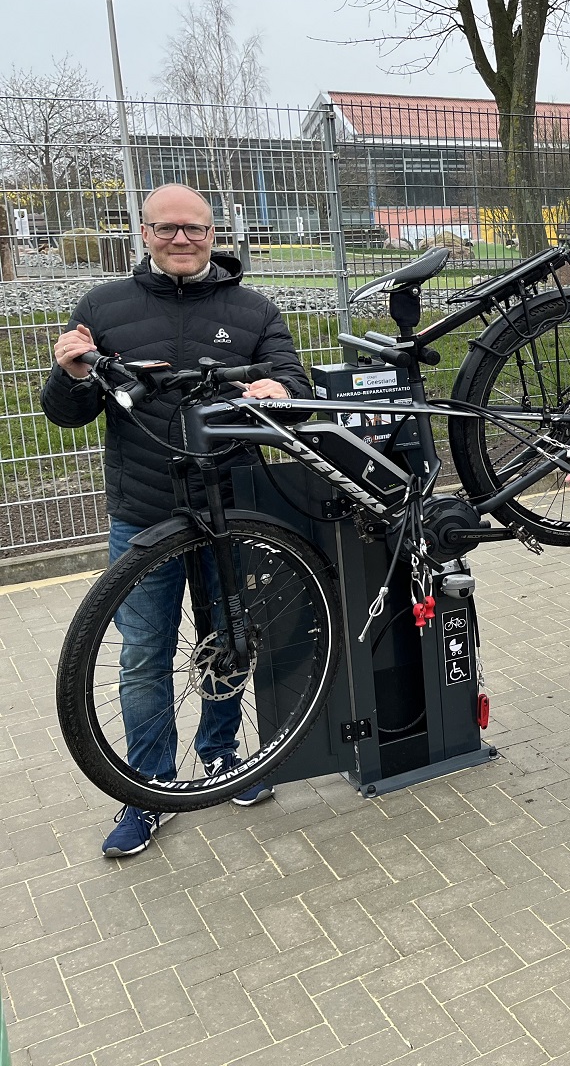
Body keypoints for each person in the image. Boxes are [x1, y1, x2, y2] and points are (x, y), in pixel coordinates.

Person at [42, 183, 312, 857]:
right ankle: (148, 788)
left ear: (214, 233)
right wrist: (69, 375)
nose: (182, 239)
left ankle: (221, 757)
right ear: (144, 233)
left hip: (231, 513)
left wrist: (281, 389)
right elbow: (67, 413)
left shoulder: (253, 308)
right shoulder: (103, 308)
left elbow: (297, 386)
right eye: (167, 228)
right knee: (143, 655)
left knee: (229, 640)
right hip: (144, 513)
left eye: (195, 228)